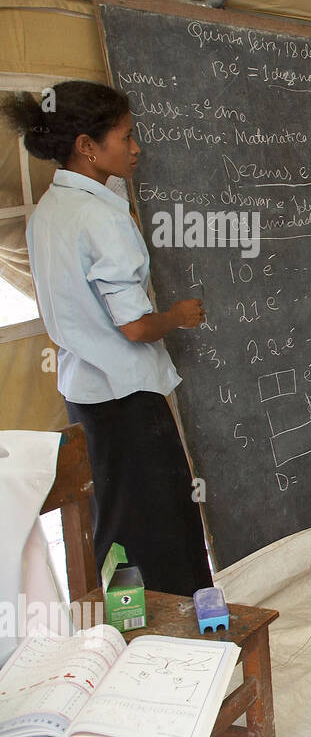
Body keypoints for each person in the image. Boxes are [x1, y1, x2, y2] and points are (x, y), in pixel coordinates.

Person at [3, 82, 210, 597]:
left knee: (117, 520)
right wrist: (177, 316)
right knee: (164, 523)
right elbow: (135, 327)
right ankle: (183, 632)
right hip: (127, 394)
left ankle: (121, 629)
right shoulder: (101, 217)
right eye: (126, 136)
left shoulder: (52, 210)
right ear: (86, 145)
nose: (136, 148)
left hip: (85, 391)